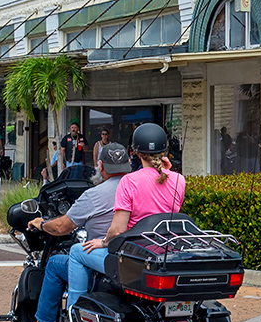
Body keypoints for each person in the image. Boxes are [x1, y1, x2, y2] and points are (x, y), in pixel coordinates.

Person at [20, 142, 132, 322]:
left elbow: (62, 227)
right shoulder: (136, 188)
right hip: (132, 256)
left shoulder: (94, 194)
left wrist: (41, 223)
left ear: (101, 166)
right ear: (128, 163)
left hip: (104, 259)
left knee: (55, 263)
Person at [67, 123, 186, 307]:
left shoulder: (130, 181)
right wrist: (168, 170)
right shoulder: (179, 180)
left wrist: (103, 242)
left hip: (134, 256)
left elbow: (117, 230)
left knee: (76, 252)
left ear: (136, 153)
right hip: (165, 252)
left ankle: (73, 314)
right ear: (165, 151)